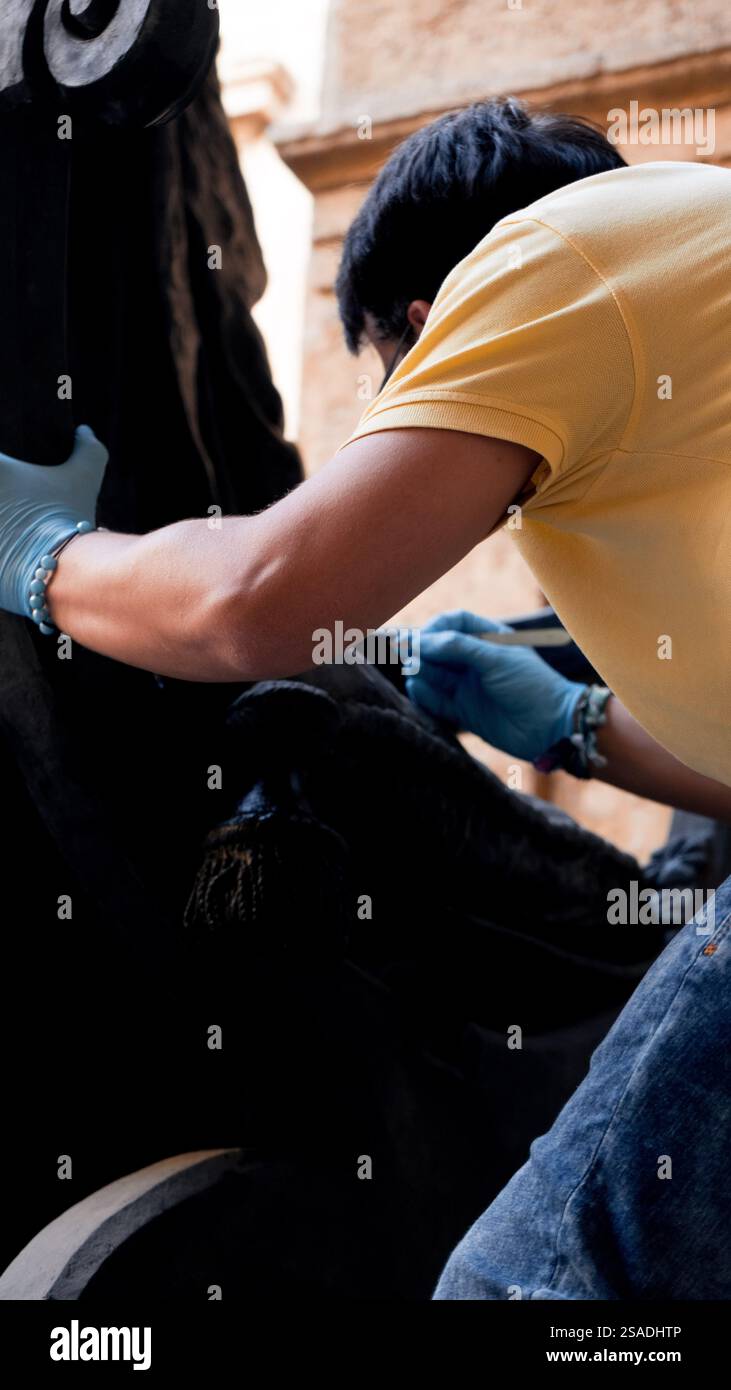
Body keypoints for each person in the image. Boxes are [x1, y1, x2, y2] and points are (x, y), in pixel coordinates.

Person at [0, 98, 729, 1297]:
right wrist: (573, 725)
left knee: (522, 1282)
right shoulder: (669, 281)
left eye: (404, 387)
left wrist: (38, 553)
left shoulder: (542, 256)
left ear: (427, 324)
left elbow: (253, 600)